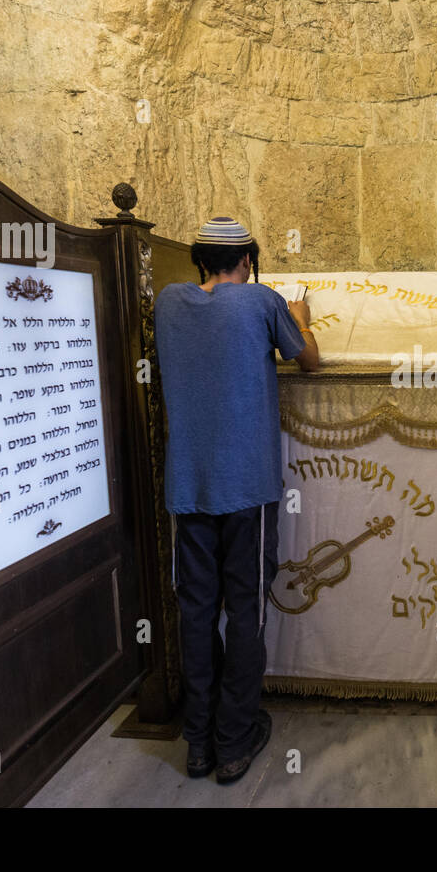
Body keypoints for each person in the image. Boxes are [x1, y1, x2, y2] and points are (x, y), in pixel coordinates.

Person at [154, 216, 319, 783]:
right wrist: (299, 318)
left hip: (187, 490)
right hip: (247, 489)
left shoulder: (168, 303)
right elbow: (310, 360)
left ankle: (197, 743)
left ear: (199, 259)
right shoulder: (263, 302)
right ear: (249, 259)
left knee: (196, 613)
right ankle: (234, 743)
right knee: (244, 612)